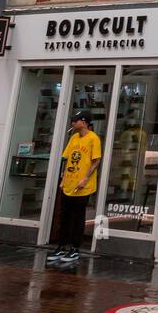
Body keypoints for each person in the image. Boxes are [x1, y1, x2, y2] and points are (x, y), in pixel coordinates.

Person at [47, 110, 102, 270]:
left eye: (75, 120)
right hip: (69, 184)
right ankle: (61, 246)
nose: (73, 122)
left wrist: (85, 179)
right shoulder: (73, 138)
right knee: (65, 216)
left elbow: (96, 161)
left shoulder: (93, 138)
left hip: (83, 187)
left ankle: (75, 248)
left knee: (78, 218)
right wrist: (63, 179)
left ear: (84, 122)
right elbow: (68, 159)